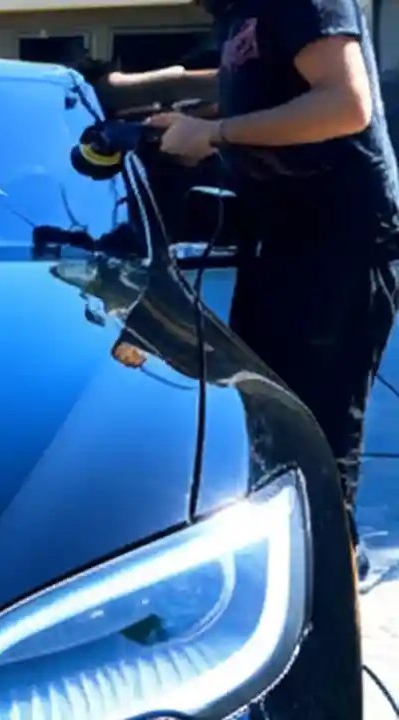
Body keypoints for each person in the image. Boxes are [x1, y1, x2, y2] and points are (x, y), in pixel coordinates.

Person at [143, 0, 399, 580]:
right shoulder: (238, 12)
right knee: (268, 418)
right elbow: (253, 79)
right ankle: (281, 573)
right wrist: (159, 96)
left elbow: (344, 104)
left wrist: (214, 133)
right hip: (283, 242)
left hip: (341, 245)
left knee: (317, 432)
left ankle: (330, 583)